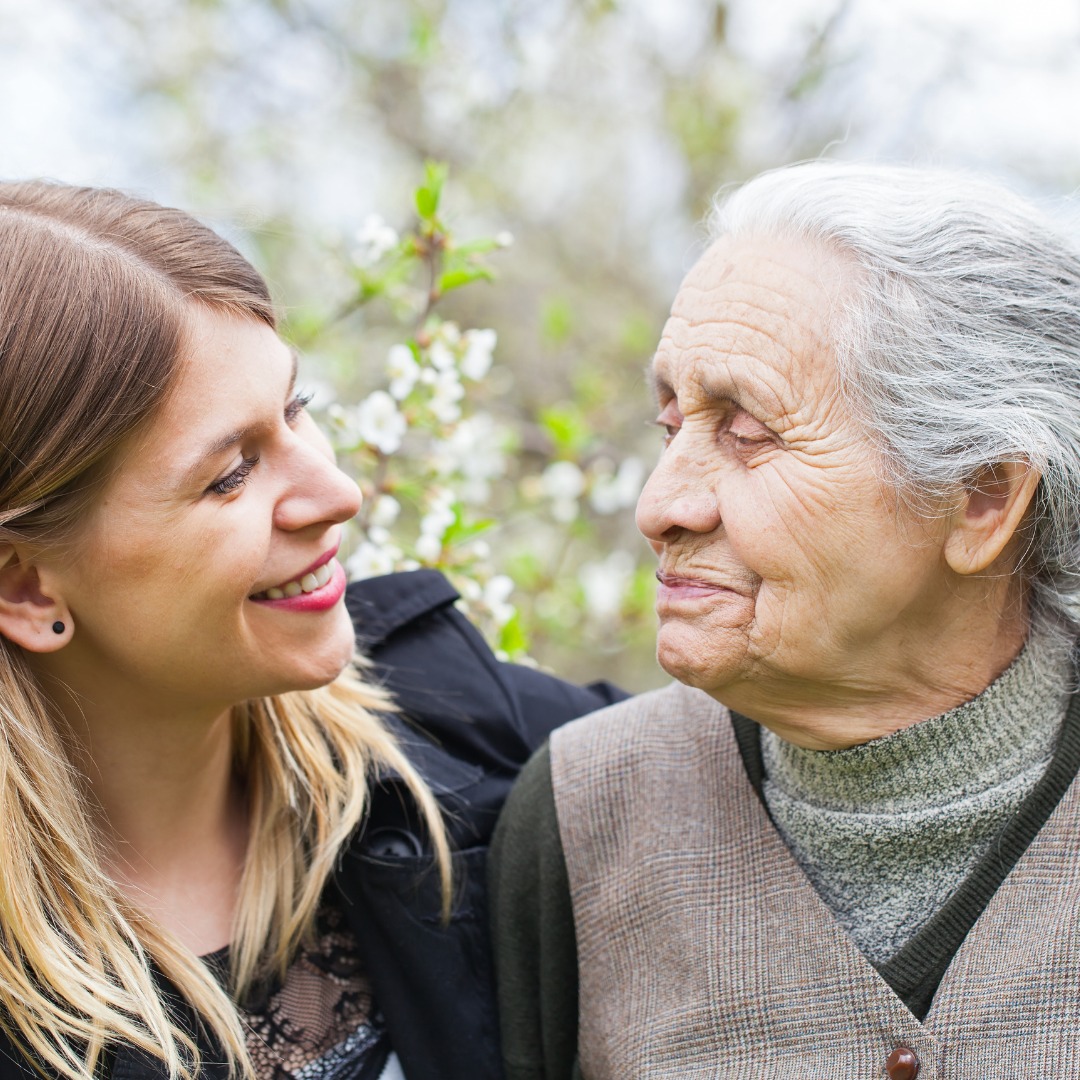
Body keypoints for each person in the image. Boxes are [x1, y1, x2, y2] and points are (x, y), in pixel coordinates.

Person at [0, 181, 624, 1080]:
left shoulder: (449, 728)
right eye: (230, 475)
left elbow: (746, 782)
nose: (340, 493)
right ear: (25, 588)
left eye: (298, 408)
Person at [490, 161, 1080, 1079]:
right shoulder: (584, 814)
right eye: (671, 424)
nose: (661, 505)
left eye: (748, 432)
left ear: (980, 498)